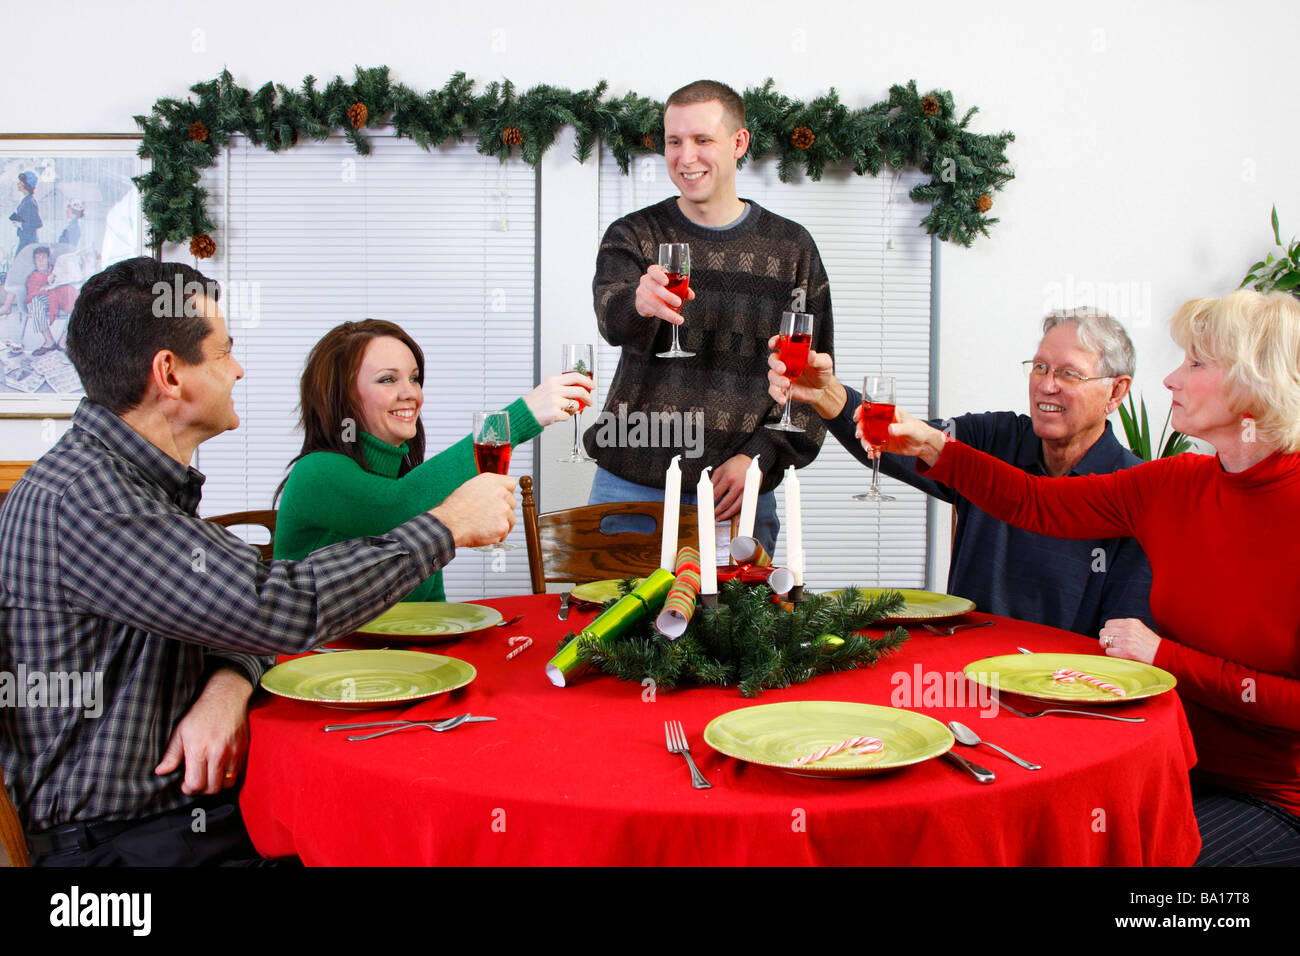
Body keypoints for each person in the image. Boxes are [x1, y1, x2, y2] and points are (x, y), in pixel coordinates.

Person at [0, 258, 515, 865]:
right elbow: (278, 604)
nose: (238, 370)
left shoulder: (133, 484)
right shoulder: (95, 501)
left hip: (176, 819)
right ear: (169, 373)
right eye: (222, 354)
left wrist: (226, 682)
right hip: (119, 848)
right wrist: (450, 524)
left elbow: (235, 608)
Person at [870, 290, 1300, 866]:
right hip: (1159, 761)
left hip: (1269, 796)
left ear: (1257, 382)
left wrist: (1165, 657)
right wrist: (933, 447)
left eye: (1196, 363)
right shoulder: (1174, 485)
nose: (1171, 378)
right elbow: (1034, 502)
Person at [769, 308, 1154, 636]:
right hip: (967, 674)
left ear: (1116, 392)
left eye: (1069, 374)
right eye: (1040, 367)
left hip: (1063, 692)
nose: (1046, 386)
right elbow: (900, 442)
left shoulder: (1137, 494)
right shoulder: (994, 438)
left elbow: (1121, 639)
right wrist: (825, 394)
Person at [585, 79, 833, 556]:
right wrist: (638, 302)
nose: (686, 156)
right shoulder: (634, 234)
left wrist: (758, 458)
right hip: (630, 482)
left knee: (729, 630)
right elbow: (612, 319)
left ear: (738, 143)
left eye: (702, 140)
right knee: (610, 628)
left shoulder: (791, 249)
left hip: (733, 491)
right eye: (674, 141)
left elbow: (810, 385)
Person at [273, 319, 593, 599]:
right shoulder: (316, 472)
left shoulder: (407, 478)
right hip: (324, 663)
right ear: (341, 395)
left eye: (413, 378)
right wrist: (522, 416)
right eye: (388, 379)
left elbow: (430, 604)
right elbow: (395, 510)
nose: (411, 392)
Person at [24, 245, 78, 355]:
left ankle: (63, 342)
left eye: (43, 257)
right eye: (37, 258)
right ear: (34, 261)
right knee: (34, 302)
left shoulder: (57, 270)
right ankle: (49, 341)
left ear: (48, 259)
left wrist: (55, 282)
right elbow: (32, 293)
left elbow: (69, 282)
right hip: (47, 300)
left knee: (77, 304)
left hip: (61, 297)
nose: (40, 261)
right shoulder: (32, 277)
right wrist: (45, 288)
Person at [9, 171, 41, 252]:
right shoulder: (26, 200)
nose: (18, 184)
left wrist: (21, 225)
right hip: (25, 239)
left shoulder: (30, 202)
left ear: (25, 185)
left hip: (28, 241)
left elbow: (37, 223)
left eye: (20, 182)